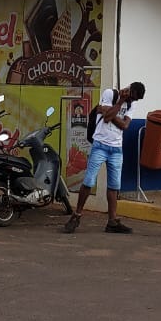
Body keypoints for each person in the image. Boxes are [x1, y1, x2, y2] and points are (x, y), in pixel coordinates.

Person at [63, 82, 146, 234]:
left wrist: (109, 112)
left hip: (117, 148)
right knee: (88, 181)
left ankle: (112, 221)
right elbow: (106, 118)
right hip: (100, 144)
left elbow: (125, 126)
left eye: (134, 100)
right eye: (131, 97)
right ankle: (77, 215)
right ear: (128, 90)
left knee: (114, 186)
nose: (131, 101)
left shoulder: (131, 104)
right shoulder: (110, 94)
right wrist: (119, 101)